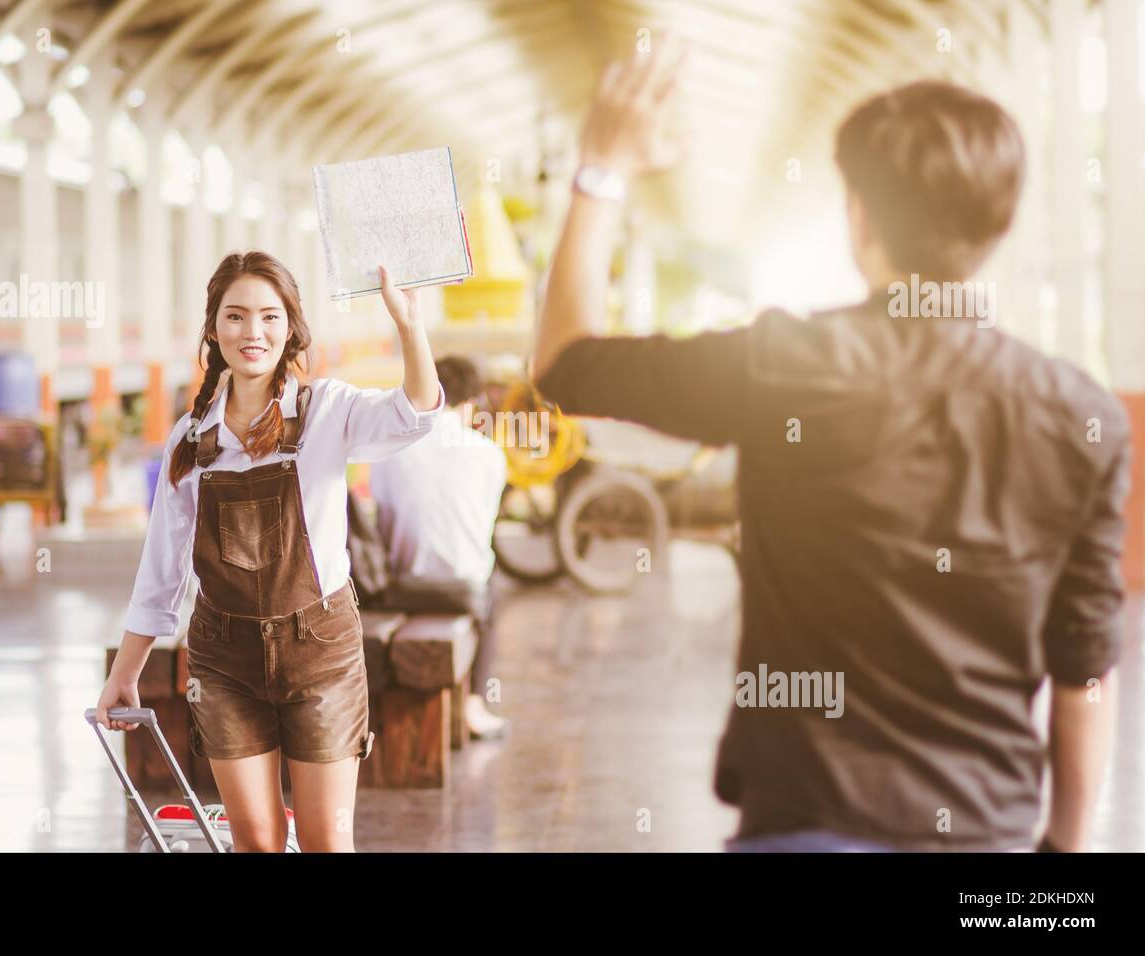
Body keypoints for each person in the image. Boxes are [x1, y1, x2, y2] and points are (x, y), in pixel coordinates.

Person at [532, 34, 1131, 852]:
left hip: (807, 826)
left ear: (859, 217)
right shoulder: (1082, 417)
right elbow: (1085, 666)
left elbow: (565, 363)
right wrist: (1064, 853)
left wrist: (602, 168)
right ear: (1001, 222)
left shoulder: (786, 365)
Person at [96, 251, 444, 852]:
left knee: (325, 842)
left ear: (290, 328)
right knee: (256, 842)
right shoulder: (191, 439)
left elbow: (413, 414)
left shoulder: (328, 410)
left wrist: (411, 328)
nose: (251, 333)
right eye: (234, 317)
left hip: (322, 653)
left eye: (268, 317)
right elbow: (161, 573)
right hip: (224, 662)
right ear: (212, 328)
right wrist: (125, 673)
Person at [369, 356, 509, 738]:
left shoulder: (390, 448)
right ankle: (476, 705)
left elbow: (383, 524)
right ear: (473, 402)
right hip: (462, 590)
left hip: (402, 586)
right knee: (491, 585)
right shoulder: (490, 454)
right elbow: (484, 526)